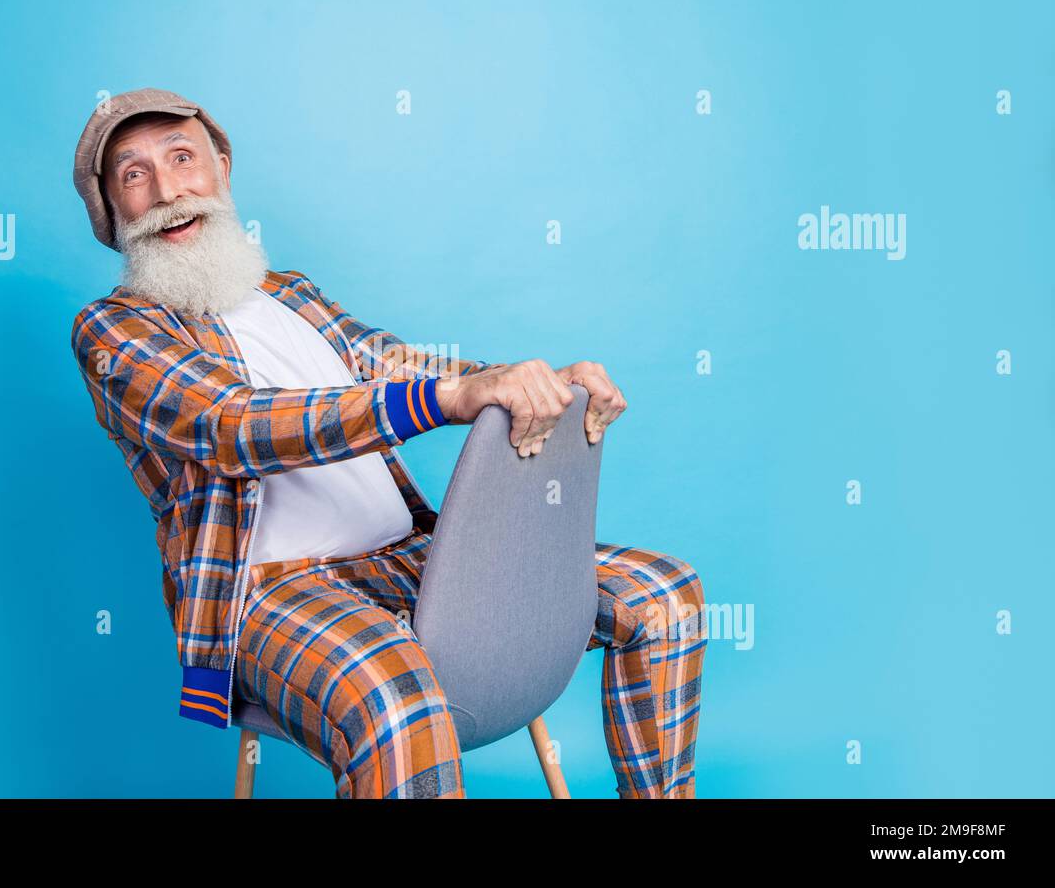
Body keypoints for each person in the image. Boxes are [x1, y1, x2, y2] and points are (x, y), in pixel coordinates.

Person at [70, 88, 707, 798]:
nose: (165, 190)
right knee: (394, 700)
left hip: (412, 557)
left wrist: (527, 384)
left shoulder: (291, 294)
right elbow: (235, 426)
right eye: (134, 174)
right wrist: (446, 399)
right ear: (111, 214)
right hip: (273, 592)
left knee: (662, 594)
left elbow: (395, 364)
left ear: (221, 168)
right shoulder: (115, 330)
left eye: (182, 158)